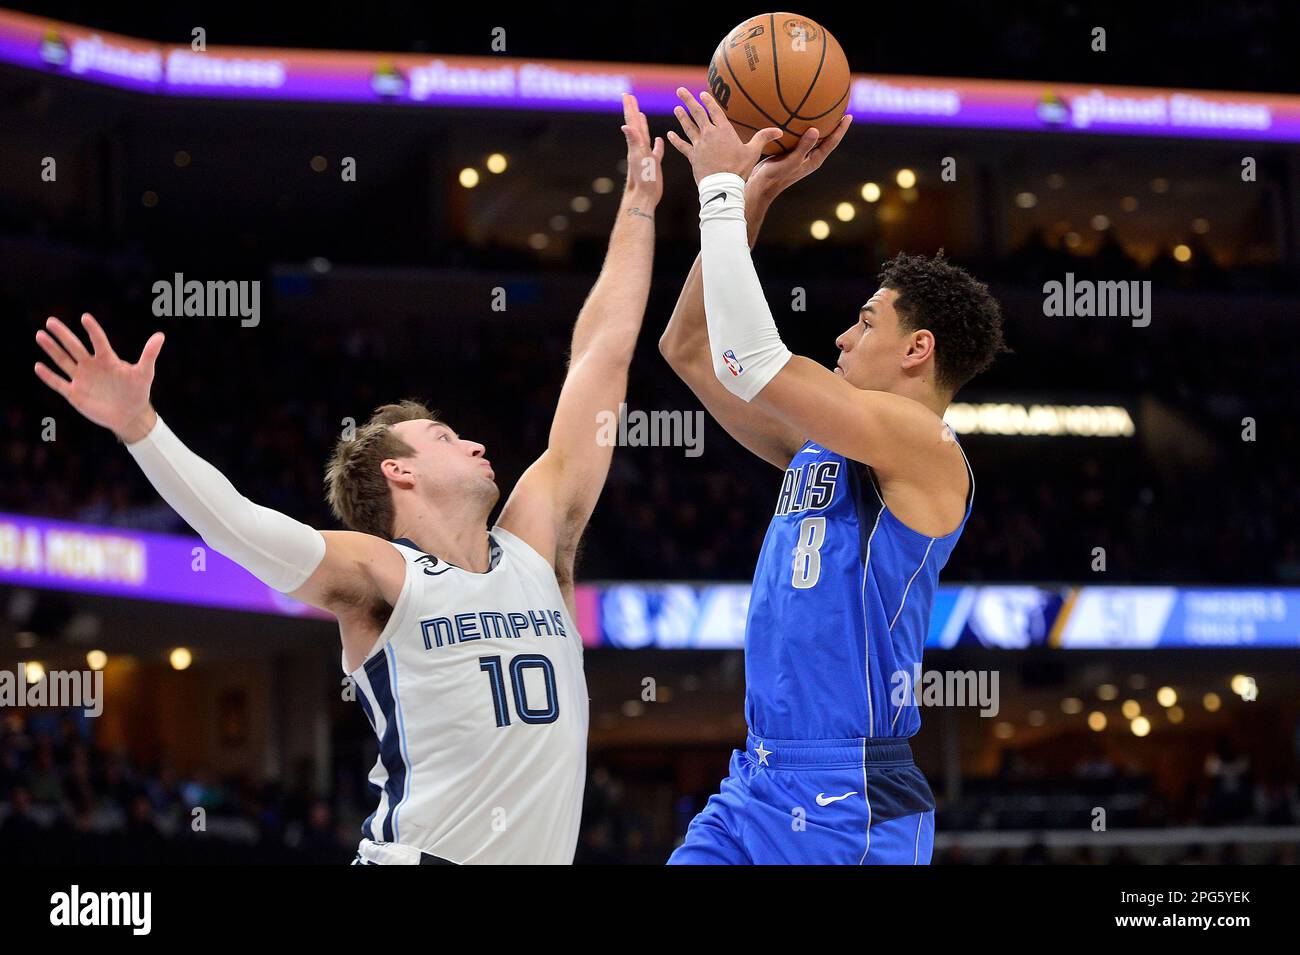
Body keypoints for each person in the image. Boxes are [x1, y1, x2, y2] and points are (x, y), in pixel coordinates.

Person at [33, 95, 665, 865]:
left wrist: (637, 204)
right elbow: (235, 524)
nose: (473, 442)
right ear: (397, 471)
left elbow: (600, 358)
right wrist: (142, 430)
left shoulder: (535, 541)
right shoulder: (380, 575)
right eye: (444, 435)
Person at [660, 89, 1004, 864]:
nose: (843, 335)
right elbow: (689, 347)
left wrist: (716, 188)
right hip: (757, 775)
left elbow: (751, 359)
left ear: (917, 350)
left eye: (867, 322)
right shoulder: (825, 445)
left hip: (848, 791)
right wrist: (752, 199)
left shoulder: (923, 445)